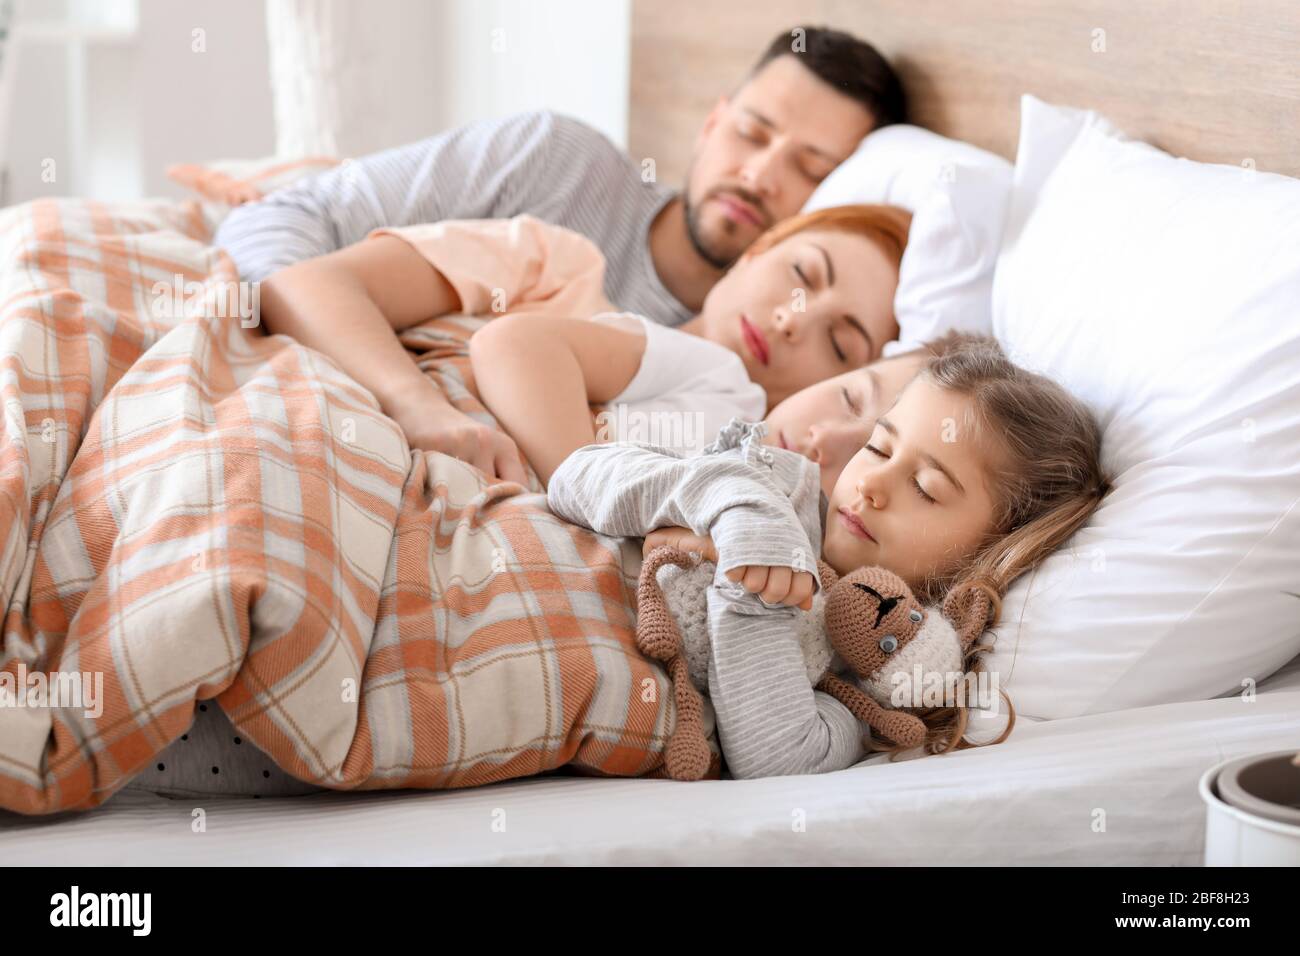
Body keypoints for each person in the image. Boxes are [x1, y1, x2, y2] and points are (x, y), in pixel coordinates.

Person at [546, 337, 1111, 778]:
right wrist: (737, 512)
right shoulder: (776, 489)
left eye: (926, 488)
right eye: (879, 448)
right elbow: (573, 476)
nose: (871, 485)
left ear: (988, 552)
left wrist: (757, 596)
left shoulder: (868, 673)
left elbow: (780, 759)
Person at [216, 25, 906, 324]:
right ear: (711, 123)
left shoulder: (772, 349)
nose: (758, 175)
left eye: (812, 171)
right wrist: (329, 356)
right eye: (751, 133)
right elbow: (279, 218)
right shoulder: (559, 160)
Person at [258, 204, 910, 484]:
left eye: (841, 343)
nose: (795, 320)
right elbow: (301, 286)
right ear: (756, 250)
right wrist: (417, 405)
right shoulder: (555, 267)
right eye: (801, 275)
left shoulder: (722, 490)